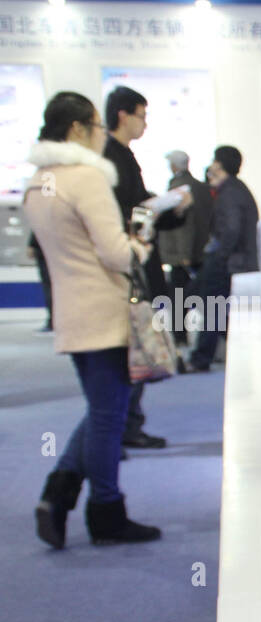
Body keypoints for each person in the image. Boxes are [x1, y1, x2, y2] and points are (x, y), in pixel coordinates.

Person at [24, 91, 161, 547]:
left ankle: (59, 492)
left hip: (71, 312)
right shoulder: (85, 178)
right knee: (109, 417)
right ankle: (105, 510)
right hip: (104, 310)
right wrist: (141, 245)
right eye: (98, 126)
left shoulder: (40, 182)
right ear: (79, 129)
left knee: (101, 410)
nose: (102, 135)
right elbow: (116, 253)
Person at [101, 86, 192, 448]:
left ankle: (126, 426)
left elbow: (139, 214)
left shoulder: (122, 156)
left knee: (136, 353)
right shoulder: (111, 158)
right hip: (128, 272)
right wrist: (158, 207)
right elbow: (129, 215)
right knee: (131, 352)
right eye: (142, 115)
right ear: (123, 114)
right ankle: (120, 430)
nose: (145, 124)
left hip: (138, 265)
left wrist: (167, 211)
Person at [188, 145, 259, 373]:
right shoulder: (237, 189)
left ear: (219, 164)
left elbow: (230, 229)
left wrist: (219, 255)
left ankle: (201, 358)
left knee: (213, 309)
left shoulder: (229, 193)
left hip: (227, 262)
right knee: (220, 311)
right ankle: (238, 357)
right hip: (235, 261)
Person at [156, 150, 212, 348]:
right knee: (204, 294)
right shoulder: (201, 187)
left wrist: (183, 254)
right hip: (201, 249)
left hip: (183, 254)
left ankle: (180, 336)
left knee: (179, 295)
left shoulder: (179, 188)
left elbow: (183, 226)